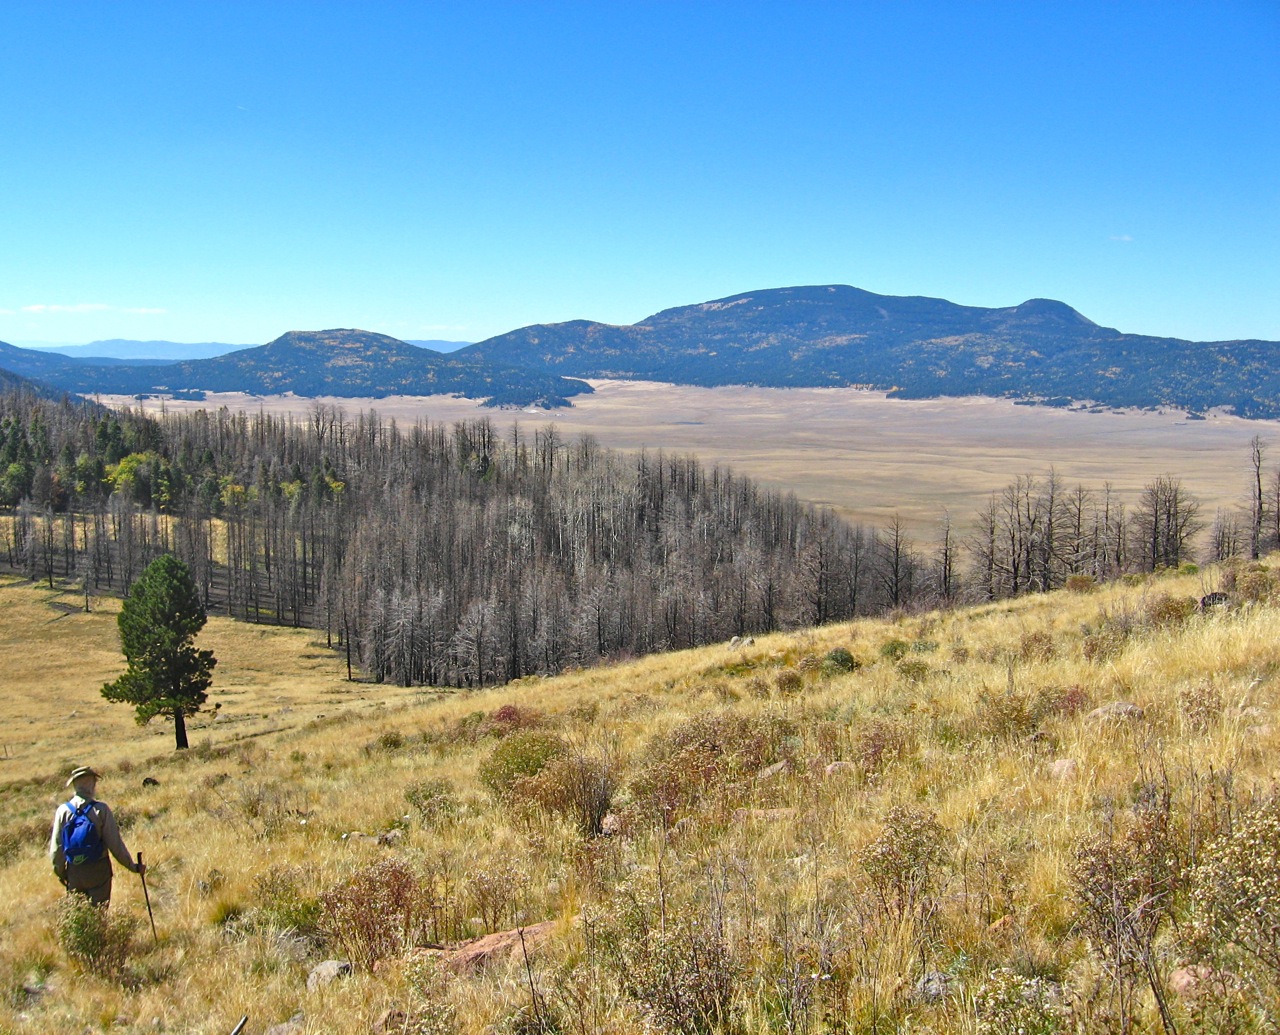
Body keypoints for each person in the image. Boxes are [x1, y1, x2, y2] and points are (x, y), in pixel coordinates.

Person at [49, 765, 144, 906]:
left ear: (74, 785)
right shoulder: (101, 810)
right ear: (92, 783)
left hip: (74, 871)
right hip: (99, 870)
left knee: (80, 918)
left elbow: (56, 849)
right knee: (99, 915)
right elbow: (115, 845)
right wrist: (133, 867)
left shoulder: (62, 811)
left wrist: (62, 873)